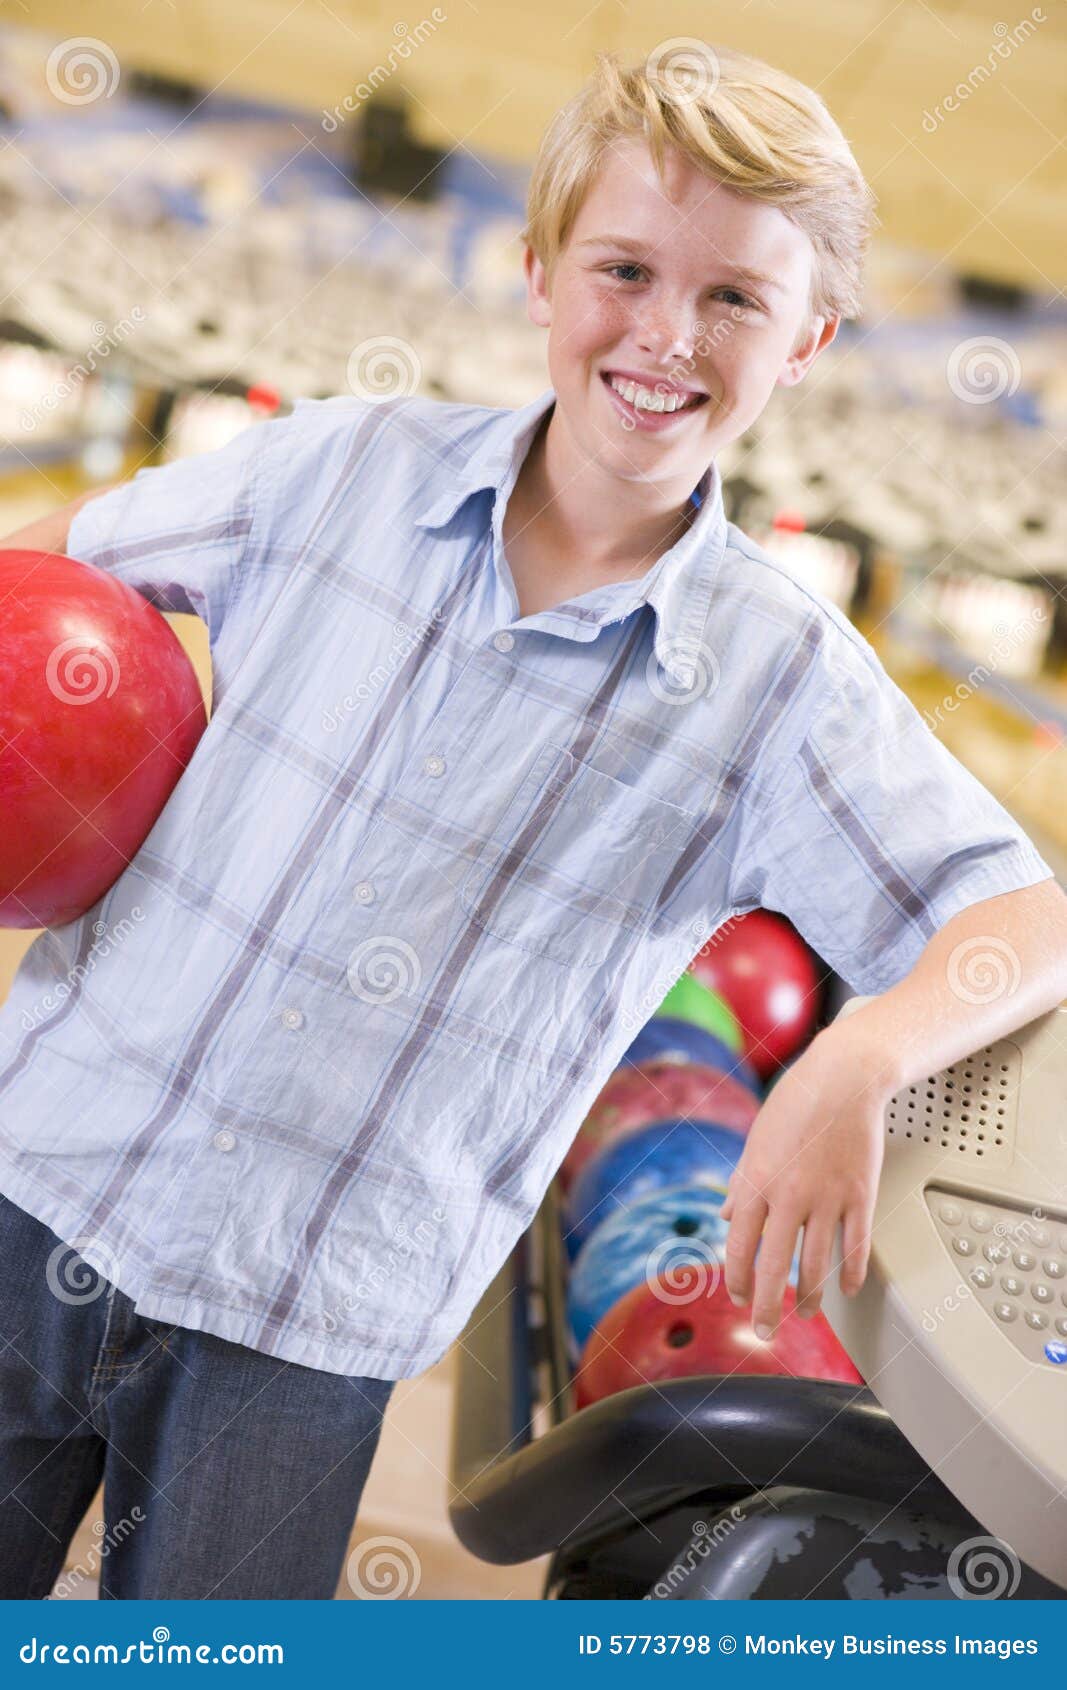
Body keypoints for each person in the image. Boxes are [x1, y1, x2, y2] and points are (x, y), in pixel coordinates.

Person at [1, 41, 1064, 1601]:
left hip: (307, 1321)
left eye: (734, 300)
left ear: (810, 339)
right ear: (539, 270)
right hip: (49, 1175)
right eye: (625, 269)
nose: (664, 333)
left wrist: (863, 1050)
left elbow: (1024, 915)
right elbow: (53, 589)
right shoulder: (338, 470)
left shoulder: (781, 683)